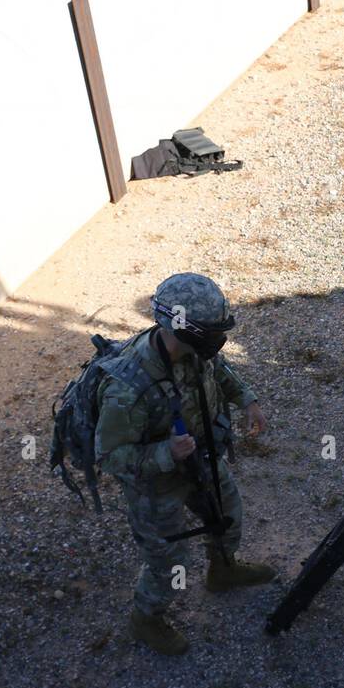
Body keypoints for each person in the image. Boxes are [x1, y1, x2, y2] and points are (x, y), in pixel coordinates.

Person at [94, 273, 275, 655]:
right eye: (213, 331)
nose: (219, 340)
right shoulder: (128, 386)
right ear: (186, 328)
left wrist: (247, 399)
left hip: (202, 457)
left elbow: (219, 370)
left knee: (227, 515)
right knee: (167, 562)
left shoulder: (194, 349)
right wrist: (165, 453)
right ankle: (147, 618)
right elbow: (109, 456)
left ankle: (222, 570)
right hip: (155, 483)